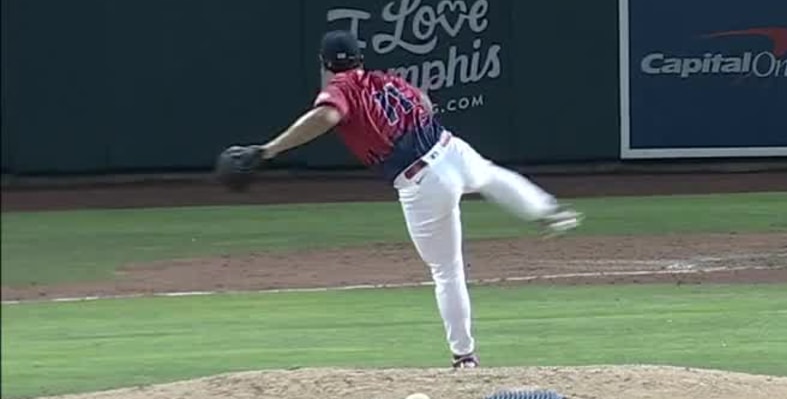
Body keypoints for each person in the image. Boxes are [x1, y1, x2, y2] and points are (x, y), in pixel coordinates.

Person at [228, 31, 584, 369]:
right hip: (450, 148)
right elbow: (426, 103)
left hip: (422, 179)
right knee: (490, 175)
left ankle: (465, 357)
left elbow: (327, 114)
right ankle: (547, 210)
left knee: (447, 270)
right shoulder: (387, 80)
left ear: (325, 64)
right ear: (360, 58)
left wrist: (267, 150)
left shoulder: (340, 87)